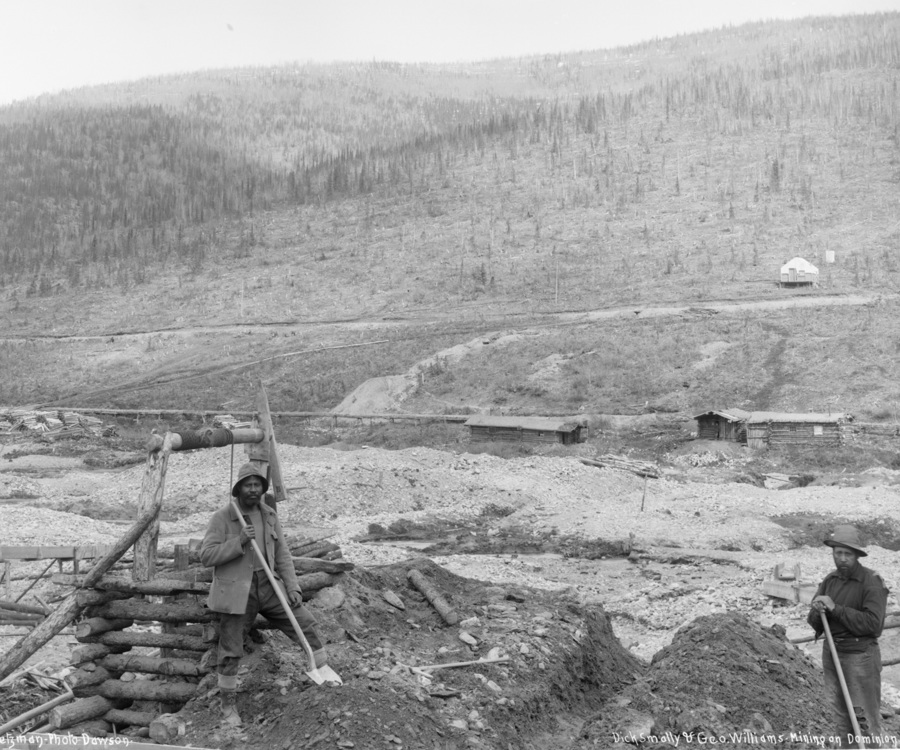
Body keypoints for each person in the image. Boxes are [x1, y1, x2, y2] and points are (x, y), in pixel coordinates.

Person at [201, 462, 331, 726]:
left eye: (257, 485)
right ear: (238, 489)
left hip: (269, 586)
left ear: (262, 488)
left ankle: (324, 673)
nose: (252, 489)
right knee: (230, 648)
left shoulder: (269, 514)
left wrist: (293, 586)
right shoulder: (223, 517)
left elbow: (282, 553)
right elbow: (206, 555)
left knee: (305, 623)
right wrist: (238, 542)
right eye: (247, 485)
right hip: (237, 590)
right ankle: (228, 706)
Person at [807, 524, 888, 748]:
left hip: (859, 657)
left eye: (847, 554)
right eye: (838, 553)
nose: (842, 558)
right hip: (832, 654)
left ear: (857, 555)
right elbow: (815, 623)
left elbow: (873, 625)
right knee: (840, 717)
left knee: (863, 719)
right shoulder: (829, 581)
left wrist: (835, 609)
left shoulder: (871, 582)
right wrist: (817, 610)